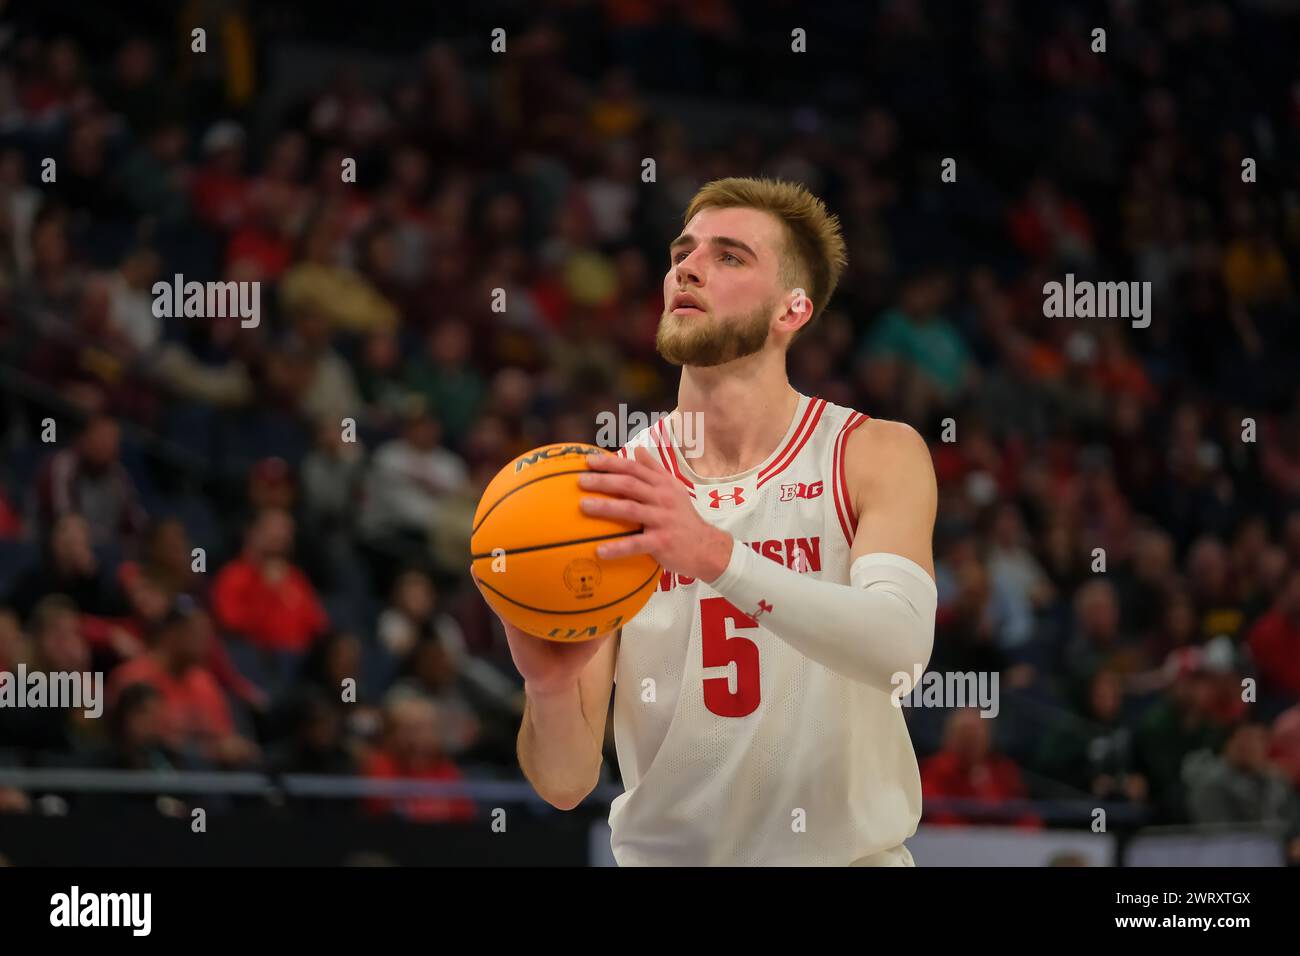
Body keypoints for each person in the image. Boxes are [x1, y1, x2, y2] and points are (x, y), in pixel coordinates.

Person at [474, 177, 939, 865]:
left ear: (793, 309)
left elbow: (900, 653)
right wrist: (547, 691)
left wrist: (718, 557)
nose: (686, 268)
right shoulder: (608, 491)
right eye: (682, 251)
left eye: (729, 257)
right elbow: (567, 784)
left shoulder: (870, 453)